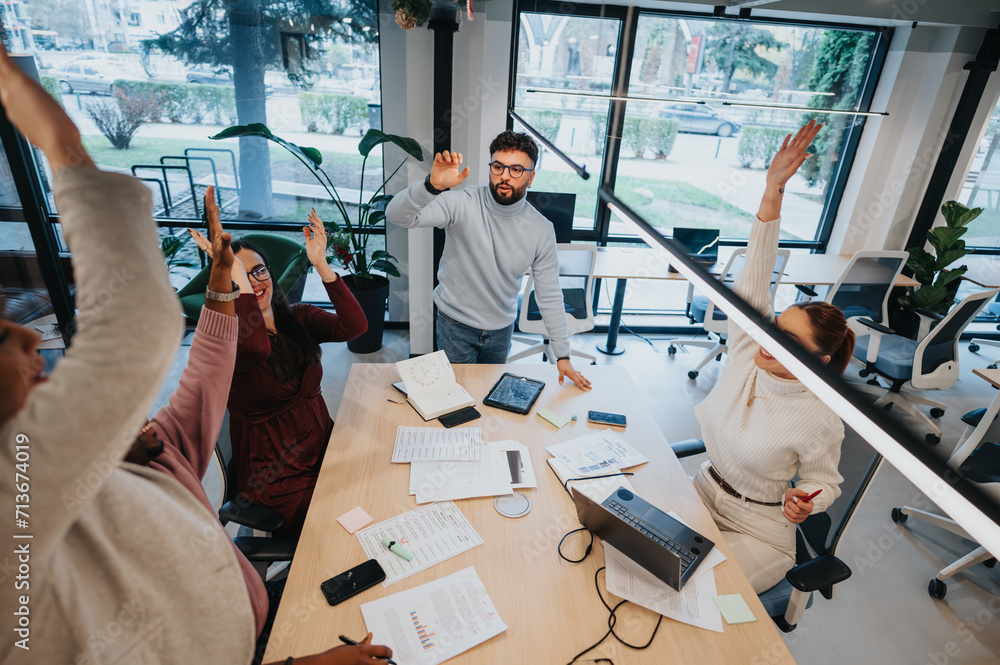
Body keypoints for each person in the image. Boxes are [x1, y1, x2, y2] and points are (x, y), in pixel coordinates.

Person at [0, 45, 390, 665]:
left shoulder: (159, 447)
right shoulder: (22, 503)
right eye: (2, 337)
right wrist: (61, 145)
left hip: (270, 613)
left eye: (261, 271)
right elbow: (206, 346)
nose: (29, 338)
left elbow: (347, 325)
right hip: (285, 476)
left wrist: (288, 270)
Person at [692, 119, 855, 594]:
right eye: (775, 328)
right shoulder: (749, 349)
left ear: (820, 361)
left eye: (790, 341)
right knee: (635, 558)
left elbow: (827, 483)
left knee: (698, 598)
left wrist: (808, 502)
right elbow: (756, 274)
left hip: (759, 528)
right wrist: (772, 190)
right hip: (703, 491)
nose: (771, 341)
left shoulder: (821, 416)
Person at [191, 209, 367, 538]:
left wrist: (321, 265)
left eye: (260, 271)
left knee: (375, 484)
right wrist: (236, 278)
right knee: (349, 521)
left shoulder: (297, 316)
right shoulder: (229, 340)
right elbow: (257, 348)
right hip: (275, 476)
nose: (256, 282)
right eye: (242, 277)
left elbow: (354, 327)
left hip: (321, 447)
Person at [385, 130, 592, 390]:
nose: (504, 176)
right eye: (498, 167)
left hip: (501, 330)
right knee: (455, 396)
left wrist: (562, 354)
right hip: (455, 325)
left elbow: (549, 294)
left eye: (516, 169)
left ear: (531, 177)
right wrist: (431, 186)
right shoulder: (463, 203)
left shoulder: (541, 229)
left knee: (490, 396)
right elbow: (397, 215)